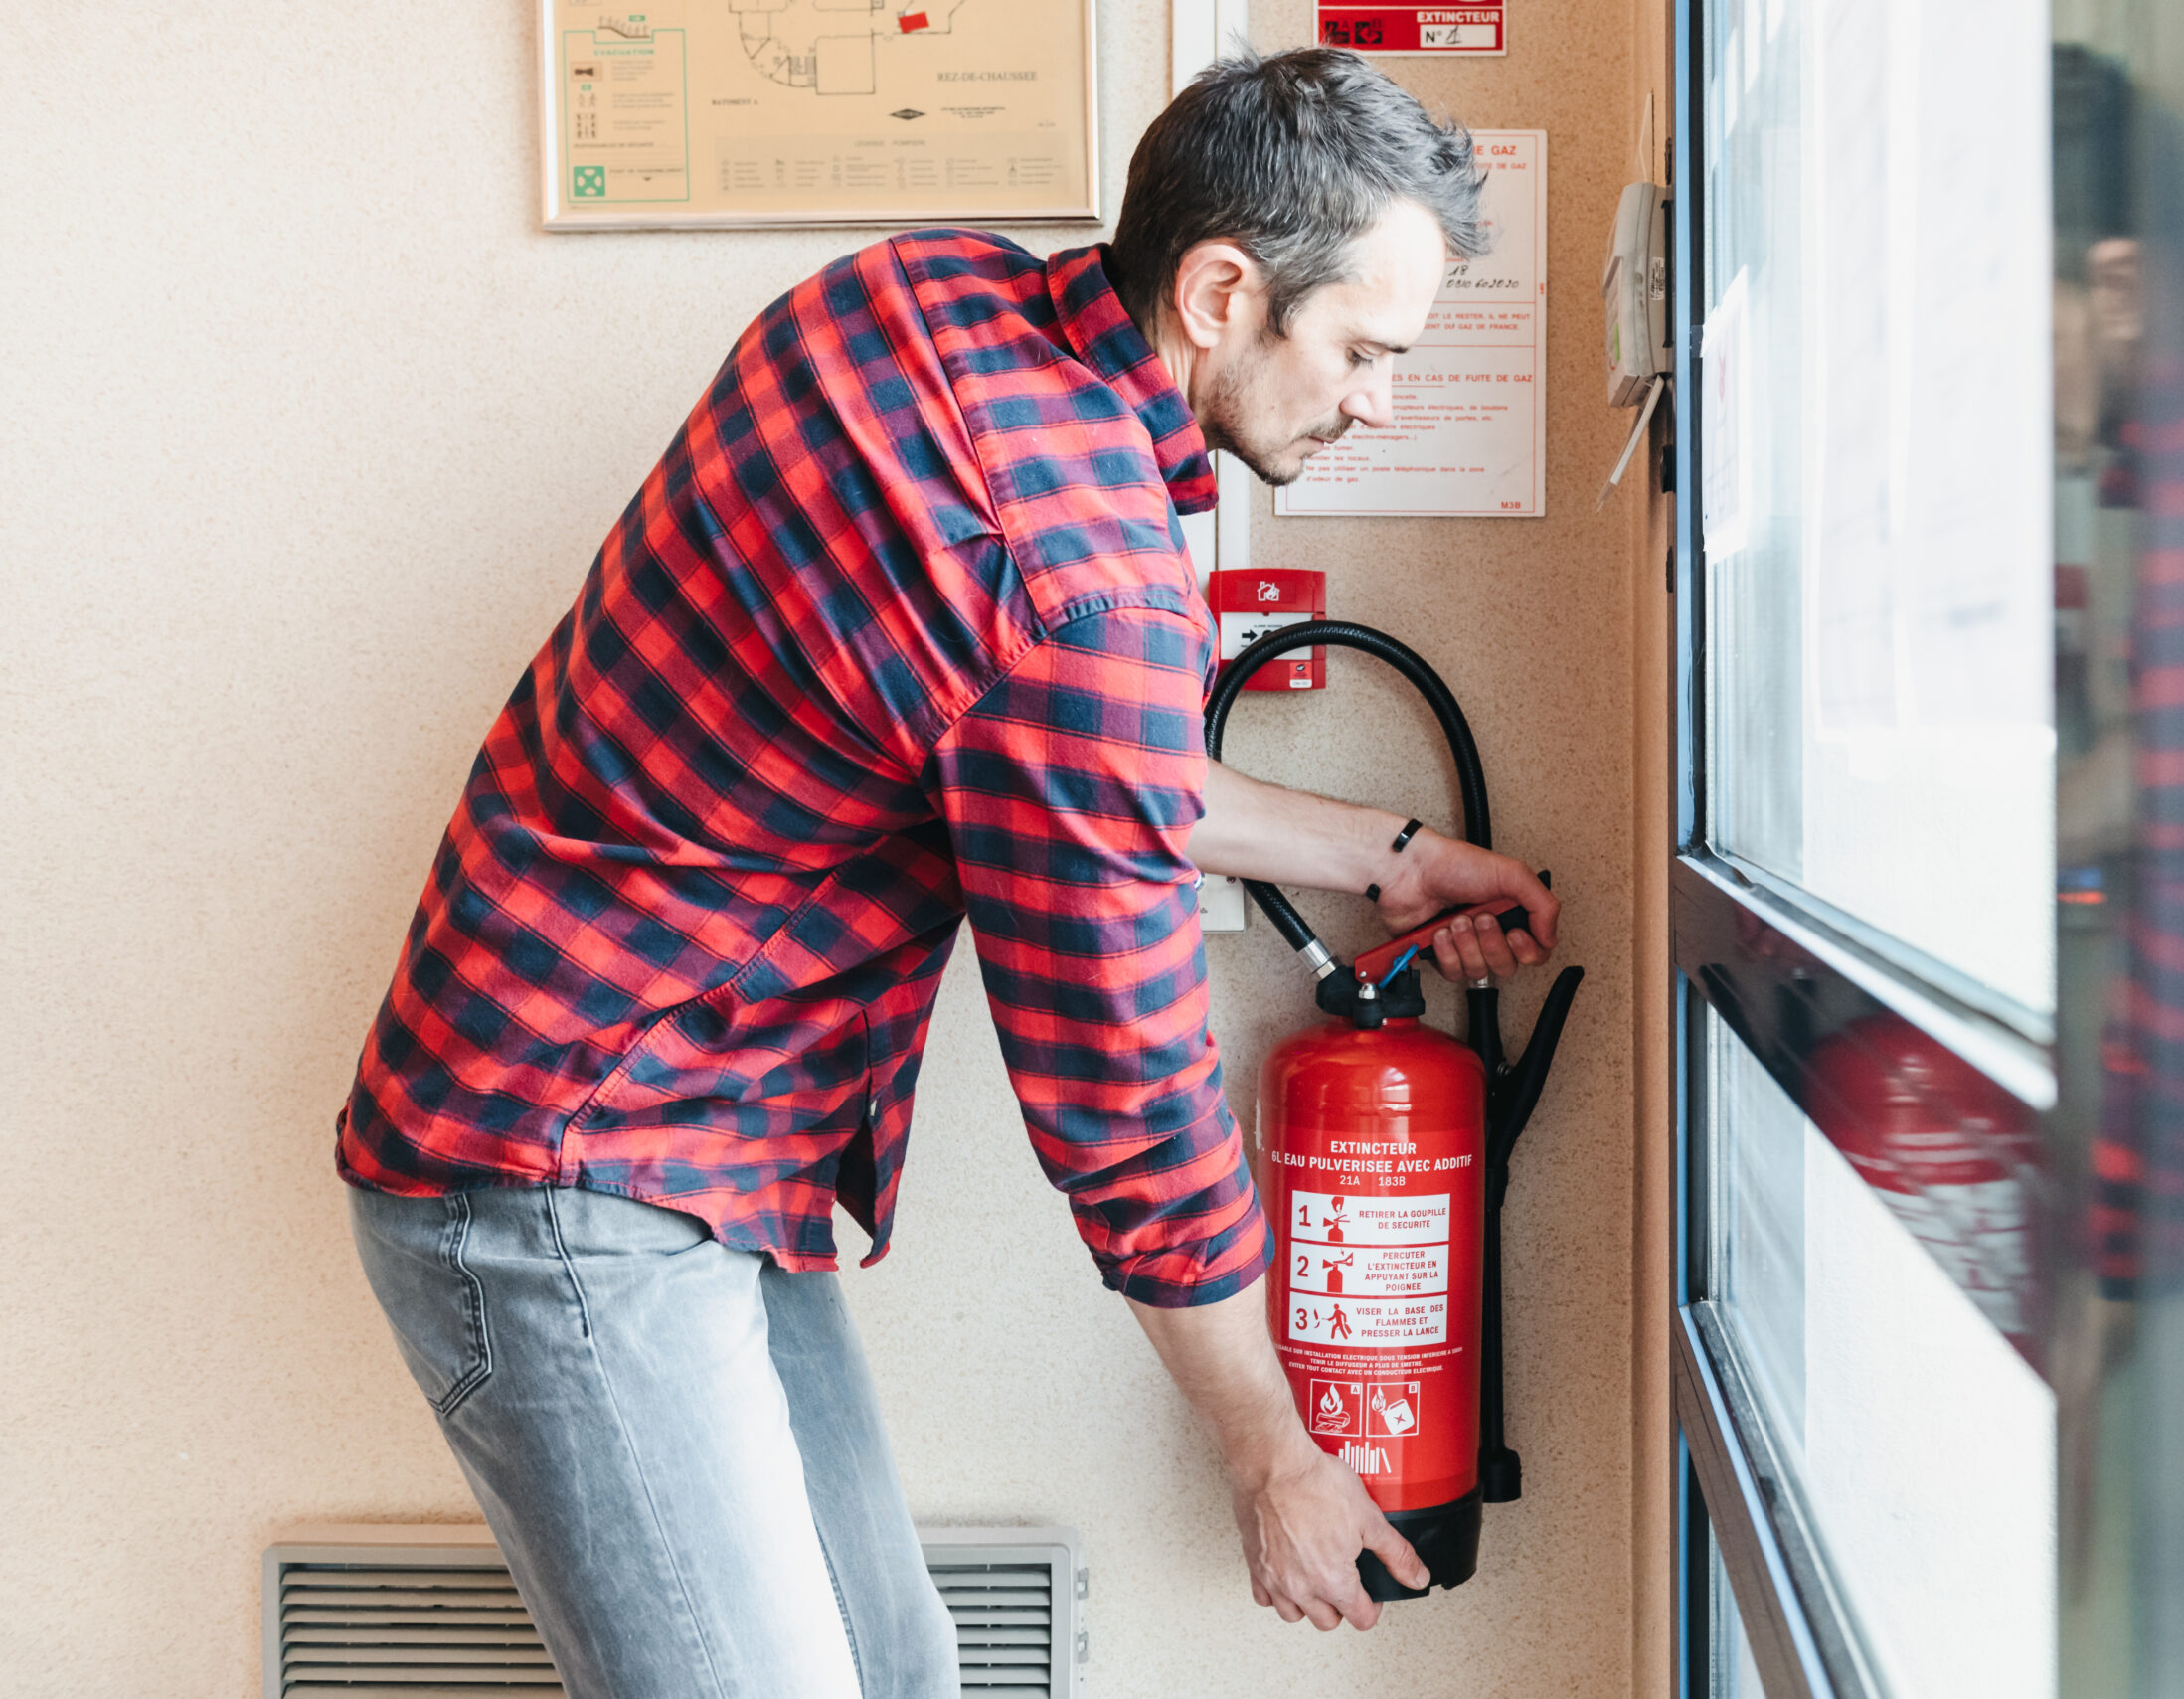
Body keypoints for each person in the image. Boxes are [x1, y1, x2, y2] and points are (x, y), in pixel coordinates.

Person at [334, 46, 1561, 1699]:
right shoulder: (1077, 586)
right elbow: (1126, 1094)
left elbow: (1069, 757)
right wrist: (1271, 1450)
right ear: (1219, 291)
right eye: (1361, 347)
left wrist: (1384, 856)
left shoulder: (926, 301)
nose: (1377, 399)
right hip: (562, 1159)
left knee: (896, 1664)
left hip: (679, 1126)